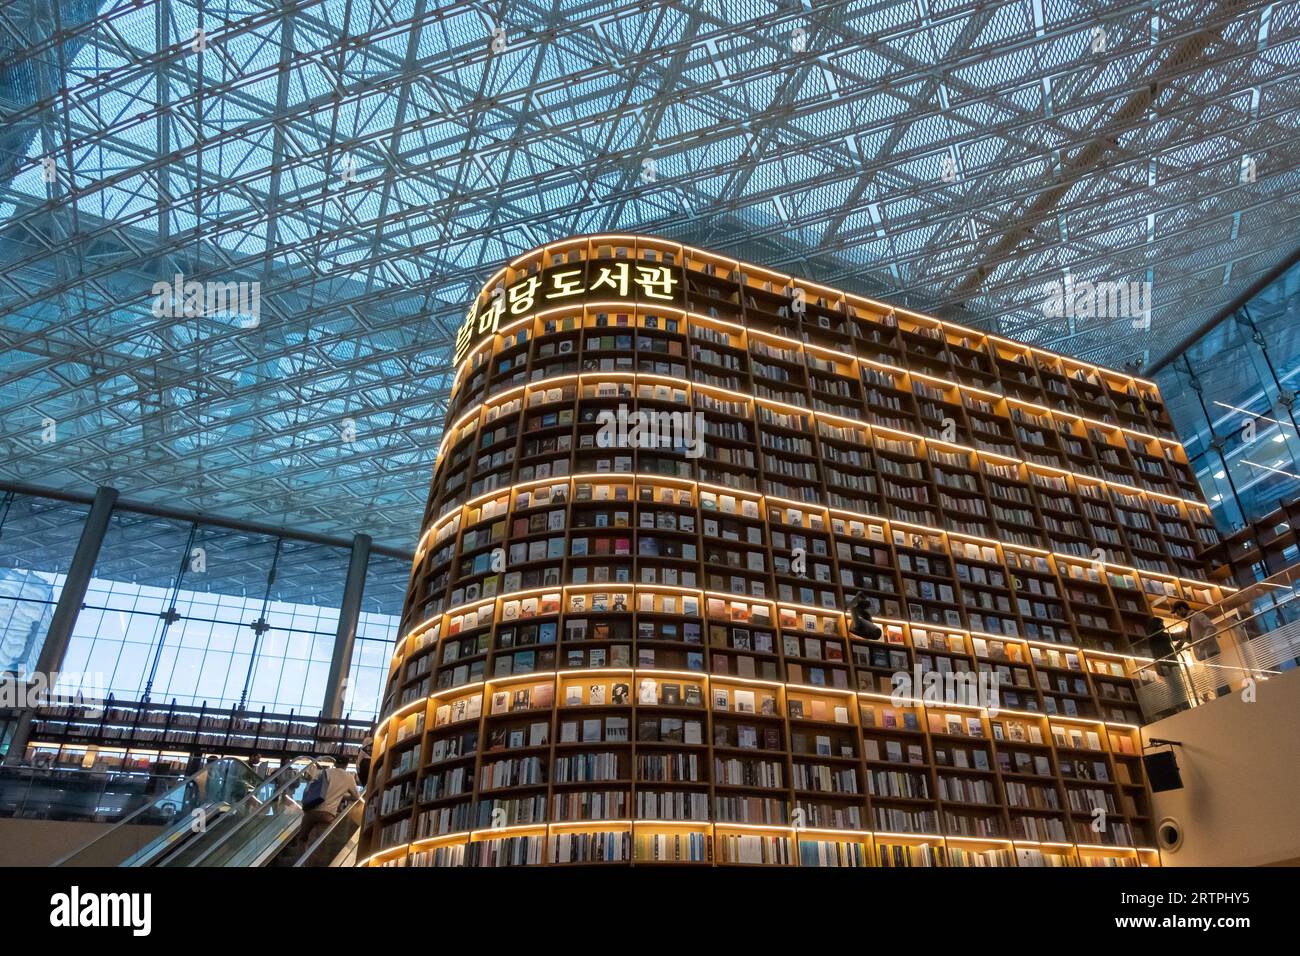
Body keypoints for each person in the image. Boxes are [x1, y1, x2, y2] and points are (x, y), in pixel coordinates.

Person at [299, 756, 360, 852]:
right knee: (322, 841)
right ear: (347, 765)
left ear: (335, 764)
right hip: (327, 814)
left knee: (303, 838)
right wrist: (341, 795)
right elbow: (356, 797)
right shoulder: (349, 777)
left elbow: (310, 788)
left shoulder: (326, 772)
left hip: (312, 811)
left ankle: (301, 860)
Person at [1173, 600, 1227, 698]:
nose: (1177, 615)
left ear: (1182, 609)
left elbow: (1211, 628)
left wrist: (1202, 643)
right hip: (1206, 653)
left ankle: (1224, 695)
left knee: (1217, 675)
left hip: (1210, 651)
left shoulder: (1196, 616)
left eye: (1177, 612)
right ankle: (1222, 695)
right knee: (1215, 675)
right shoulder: (1191, 621)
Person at [1145, 616, 1188, 714]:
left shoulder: (1157, 637)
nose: (1163, 626)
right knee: (1177, 687)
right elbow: (1172, 637)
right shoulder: (1156, 635)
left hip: (1169, 665)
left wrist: (1181, 642)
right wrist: (1185, 634)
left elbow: (1172, 651)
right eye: (1161, 624)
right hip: (1168, 666)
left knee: (1176, 687)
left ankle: (1179, 707)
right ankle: (1179, 707)